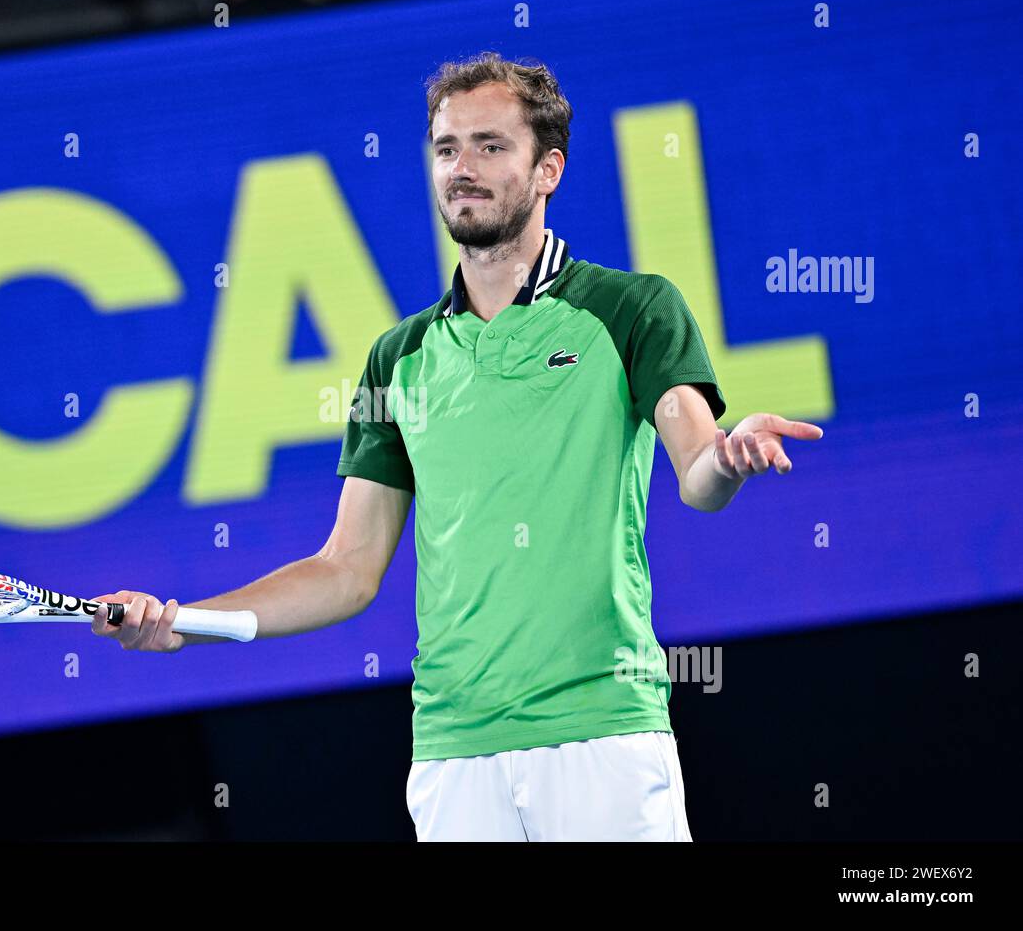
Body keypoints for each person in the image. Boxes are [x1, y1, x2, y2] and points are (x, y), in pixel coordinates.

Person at [91, 51, 823, 841]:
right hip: (451, 756)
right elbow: (346, 570)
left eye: (489, 146)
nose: (461, 169)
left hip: (602, 733)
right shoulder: (395, 358)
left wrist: (731, 455)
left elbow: (697, 472)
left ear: (548, 169)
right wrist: (184, 621)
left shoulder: (631, 308)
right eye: (446, 149)